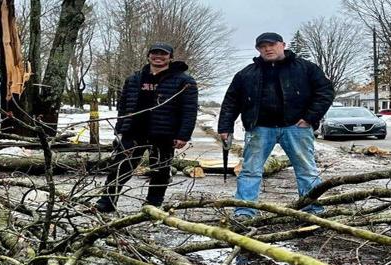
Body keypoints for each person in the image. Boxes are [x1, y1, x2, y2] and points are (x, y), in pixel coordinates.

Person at [217, 32, 334, 219]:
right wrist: (225, 127)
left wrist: (310, 117)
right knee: (250, 171)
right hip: (260, 128)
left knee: (306, 170)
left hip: (296, 127)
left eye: (272, 44)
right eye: (263, 46)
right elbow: (231, 101)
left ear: (283, 45)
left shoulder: (306, 68)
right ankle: (244, 212)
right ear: (258, 49)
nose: (267, 48)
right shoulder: (246, 74)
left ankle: (313, 209)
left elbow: (325, 92)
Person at [95, 42, 198, 212]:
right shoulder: (134, 79)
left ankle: (153, 204)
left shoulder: (184, 81)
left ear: (170, 58)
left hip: (164, 133)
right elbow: (124, 106)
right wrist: (120, 129)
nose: (158, 57)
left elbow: (189, 110)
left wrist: (183, 135)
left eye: (163, 54)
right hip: (133, 132)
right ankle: (107, 202)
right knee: (120, 167)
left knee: (160, 171)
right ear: (148, 56)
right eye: (154, 53)